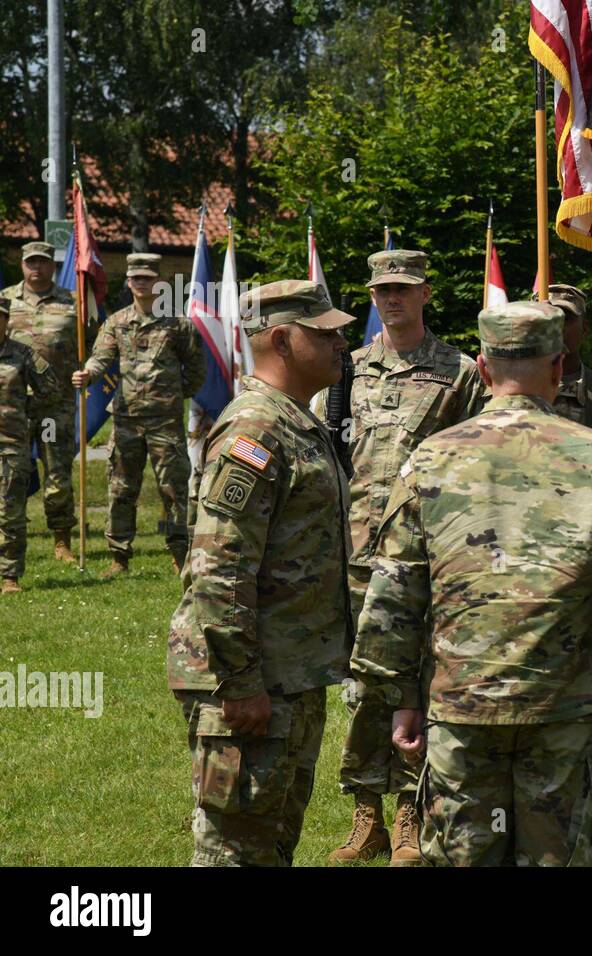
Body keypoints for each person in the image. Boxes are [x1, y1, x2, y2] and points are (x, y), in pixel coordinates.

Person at [351, 300, 592, 866]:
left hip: (461, 708)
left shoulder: (431, 459)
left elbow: (394, 590)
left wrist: (399, 698)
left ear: (483, 370)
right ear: (560, 367)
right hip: (565, 711)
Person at [167, 280, 354, 867]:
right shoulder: (255, 429)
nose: (340, 345)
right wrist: (241, 681)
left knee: (269, 845)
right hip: (249, 682)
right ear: (281, 338)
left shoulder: (294, 421)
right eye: (325, 334)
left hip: (288, 674)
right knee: (236, 851)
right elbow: (218, 569)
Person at [331, 248, 487, 866]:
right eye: (382, 290)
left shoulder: (460, 371)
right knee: (367, 685)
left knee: (420, 682)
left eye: (404, 288)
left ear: (426, 293)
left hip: (426, 556)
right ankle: (364, 810)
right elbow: (334, 460)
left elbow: (477, 462)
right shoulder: (348, 370)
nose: (392, 299)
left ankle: (409, 813)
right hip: (358, 559)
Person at [72, 253, 205, 576]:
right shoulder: (116, 323)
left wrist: (175, 394)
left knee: (173, 489)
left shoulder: (178, 325)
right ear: (128, 282)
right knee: (121, 490)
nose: (141, 282)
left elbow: (197, 369)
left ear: (158, 281)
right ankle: (119, 557)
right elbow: (101, 358)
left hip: (165, 422)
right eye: (135, 278)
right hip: (126, 420)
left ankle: (180, 554)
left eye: (147, 277)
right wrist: (87, 373)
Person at [1, 241, 78, 561]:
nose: (37, 267)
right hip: (12, 408)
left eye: (43, 262)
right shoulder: (5, 299)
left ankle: (61, 540)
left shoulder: (72, 303)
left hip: (52, 408)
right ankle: (10, 539)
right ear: (21, 265)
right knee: (9, 475)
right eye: (31, 261)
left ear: (53, 266)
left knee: (56, 473)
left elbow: (93, 340)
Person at [0, 296, 61, 593]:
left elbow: (50, 389)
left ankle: (10, 575)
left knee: (9, 510)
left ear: (7, 320)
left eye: (0, 317)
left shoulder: (23, 354)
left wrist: (24, 412)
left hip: (11, 444)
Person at [549, 283, 592, 429]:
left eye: (565, 318)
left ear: (584, 329)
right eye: (546, 318)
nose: (555, 326)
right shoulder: (505, 391)